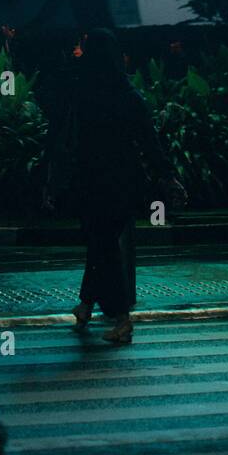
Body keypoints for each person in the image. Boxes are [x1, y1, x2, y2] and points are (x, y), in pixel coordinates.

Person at [42, 28, 186, 345]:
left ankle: (121, 318)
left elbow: (60, 137)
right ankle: (86, 304)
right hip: (124, 183)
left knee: (102, 246)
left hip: (89, 182)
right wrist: (167, 174)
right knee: (101, 244)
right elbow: (150, 142)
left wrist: (52, 180)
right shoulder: (128, 95)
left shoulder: (79, 93)